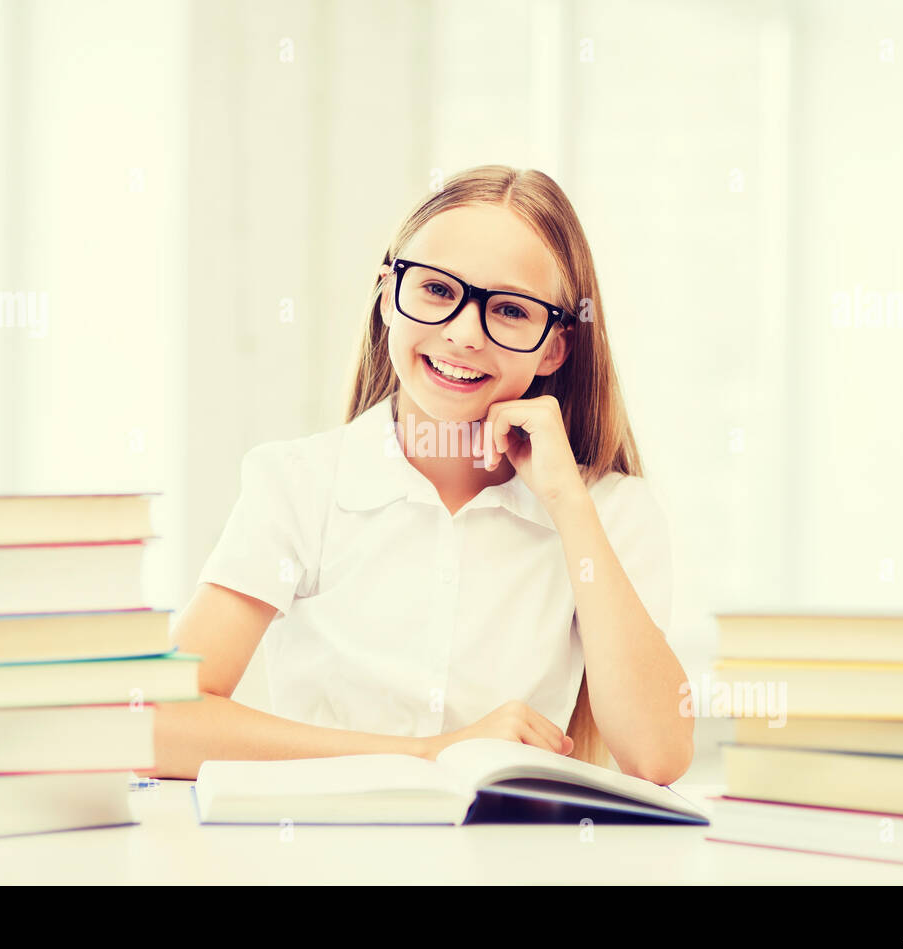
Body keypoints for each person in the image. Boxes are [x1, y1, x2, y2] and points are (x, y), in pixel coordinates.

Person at [152, 165, 693, 784]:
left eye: (511, 309)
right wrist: (433, 753)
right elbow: (160, 721)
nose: (464, 334)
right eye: (438, 291)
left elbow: (657, 757)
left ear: (553, 347)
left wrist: (569, 503)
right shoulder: (299, 483)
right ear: (388, 296)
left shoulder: (611, 509)